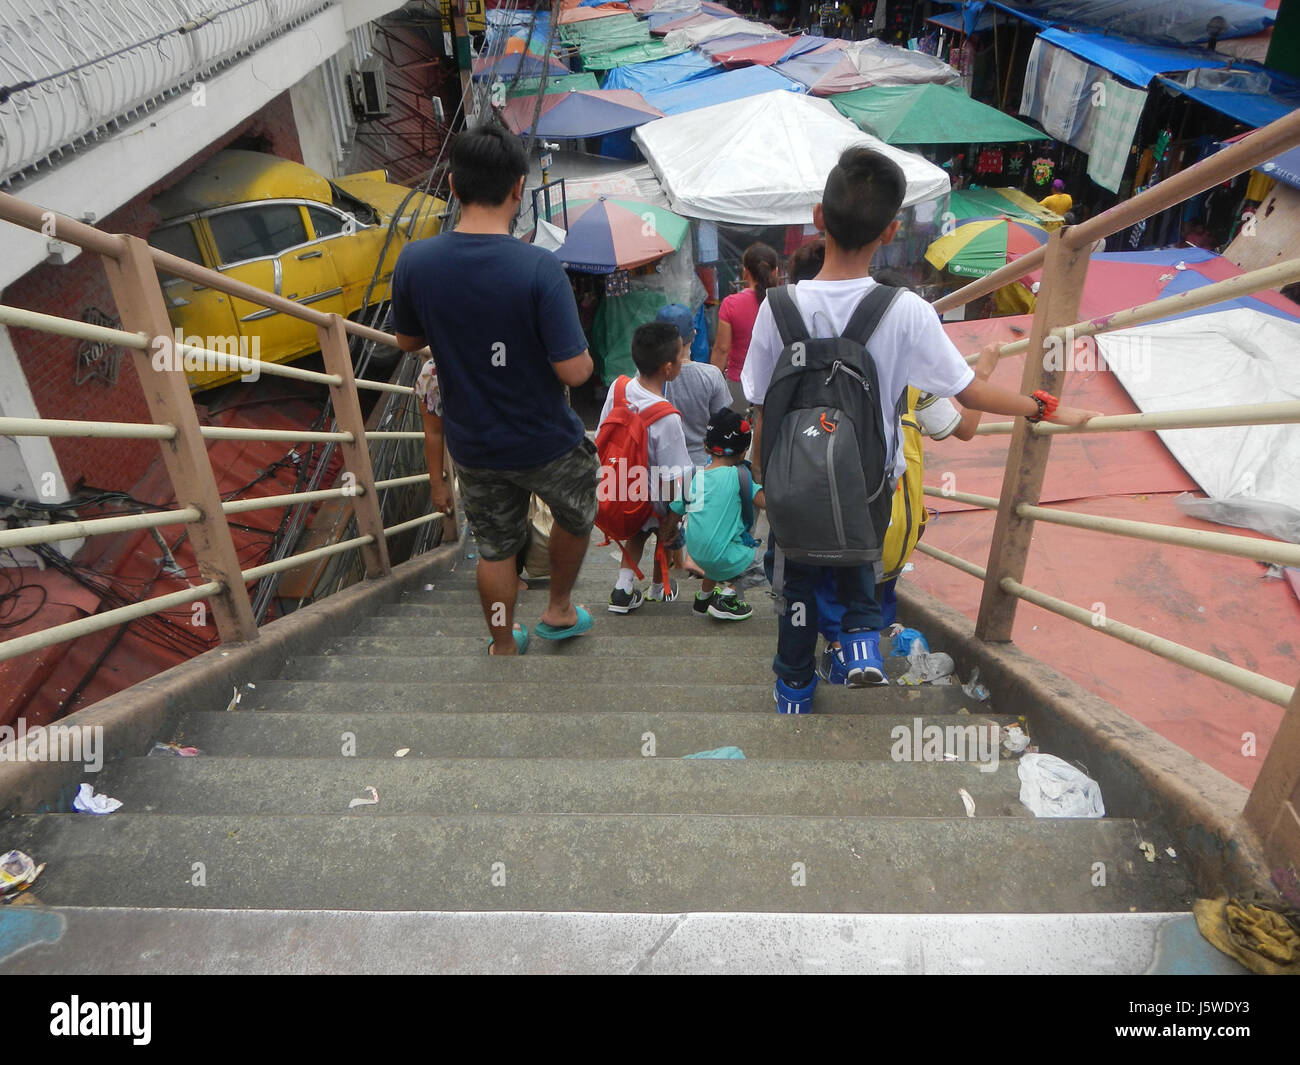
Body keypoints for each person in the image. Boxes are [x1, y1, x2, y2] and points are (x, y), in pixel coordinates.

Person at [743, 146, 1100, 713]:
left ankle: (794, 687)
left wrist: (764, 480)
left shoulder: (775, 306)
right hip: (870, 481)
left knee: (799, 585)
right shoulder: (907, 310)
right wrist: (1038, 407)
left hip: (792, 483)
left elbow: (762, 404)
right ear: (889, 232)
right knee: (860, 553)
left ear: (817, 217)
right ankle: (861, 644)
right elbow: (968, 393)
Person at [391, 124, 599, 656]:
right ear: (518, 190)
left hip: (474, 442)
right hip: (546, 439)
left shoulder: (416, 262)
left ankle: (503, 642)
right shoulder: (539, 267)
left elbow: (407, 338)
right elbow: (575, 372)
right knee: (575, 516)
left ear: (454, 187)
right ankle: (558, 609)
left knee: (495, 547)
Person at [598, 321, 693, 611]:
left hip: (619, 484)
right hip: (652, 493)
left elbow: (603, 430)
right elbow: (676, 475)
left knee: (637, 534)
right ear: (668, 368)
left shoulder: (619, 387)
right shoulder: (667, 416)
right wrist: (671, 517)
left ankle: (622, 588)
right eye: (681, 356)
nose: (683, 361)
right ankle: (658, 587)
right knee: (663, 535)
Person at [670, 410, 765, 622]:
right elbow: (766, 503)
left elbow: (675, 511)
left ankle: (703, 600)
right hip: (720, 557)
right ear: (743, 453)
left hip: (697, 554)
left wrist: (668, 534)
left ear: (706, 446)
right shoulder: (740, 476)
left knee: (717, 540)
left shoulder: (693, 476)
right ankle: (727, 597)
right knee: (769, 564)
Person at [659, 304, 732, 468]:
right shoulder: (711, 375)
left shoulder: (647, 377)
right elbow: (723, 422)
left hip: (662, 466)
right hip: (704, 466)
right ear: (694, 334)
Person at [712, 243, 779, 411]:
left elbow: (721, 349)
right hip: (776, 381)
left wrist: (712, 383)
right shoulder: (784, 302)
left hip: (740, 383)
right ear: (776, 271)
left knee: (737, 432)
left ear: (745, 271)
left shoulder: (731, 304)